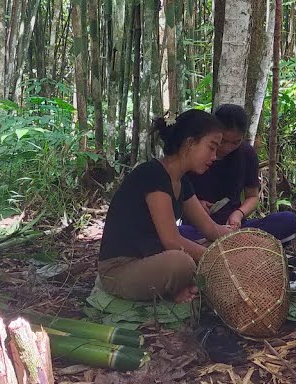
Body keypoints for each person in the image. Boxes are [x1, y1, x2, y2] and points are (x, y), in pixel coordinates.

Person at [97, 109, 233, 303]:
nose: (214, 156)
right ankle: (181, 286)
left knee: (210, 246)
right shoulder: (153, 175)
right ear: (190, 143)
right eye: (211, 148)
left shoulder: (182, 182)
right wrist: (220, 260)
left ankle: (183, 287)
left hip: (152, 260)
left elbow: (211, 229)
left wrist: (238, 242)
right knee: (181, 263)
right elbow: (172, 241)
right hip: (120, 270)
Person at [179, 104, 296, 244]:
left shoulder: (246, 154)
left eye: (235, 142)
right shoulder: (194, 154)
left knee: (288, 220)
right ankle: (238, 244)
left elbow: (252, 197)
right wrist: (194, 206)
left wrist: (238, 214)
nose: (227, 148)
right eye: (222, 141)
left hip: (234, 227)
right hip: (198, 228)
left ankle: (225, 243)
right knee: (177, 233)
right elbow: (174, 199)